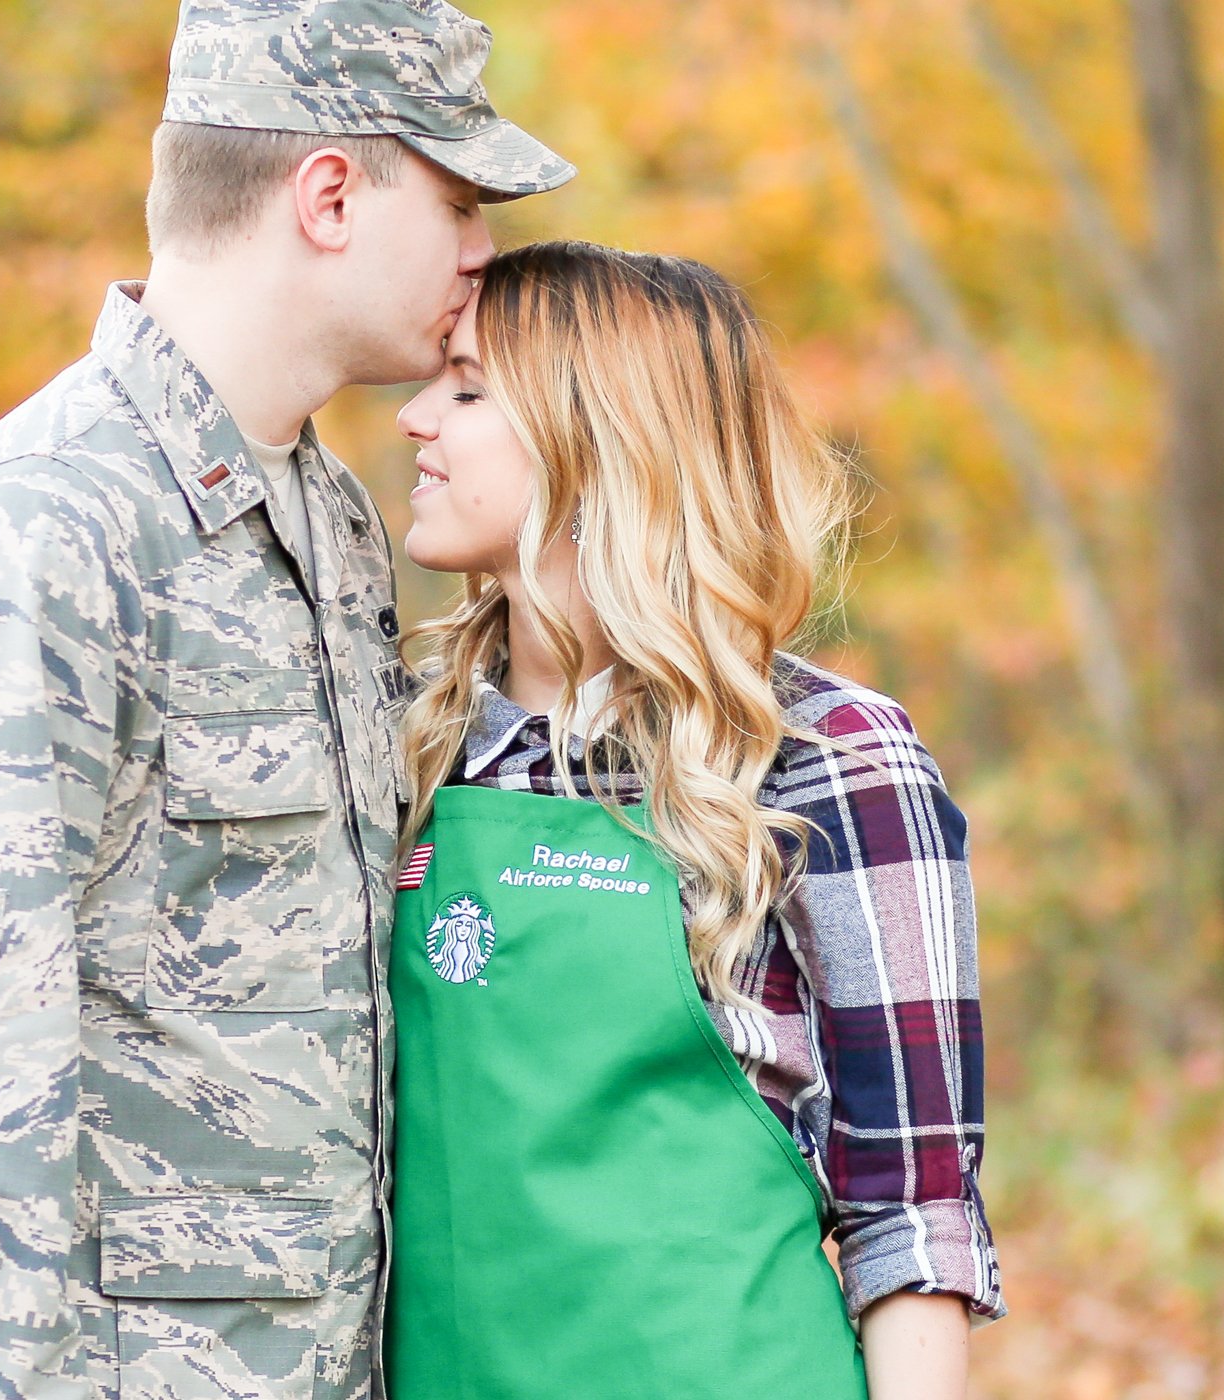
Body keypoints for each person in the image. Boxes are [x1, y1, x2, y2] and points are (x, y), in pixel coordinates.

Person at [0, 3, 571, 1397]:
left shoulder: (336, 521)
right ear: (330, 197)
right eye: (461, 200)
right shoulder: (39, 534)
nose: (482, 249)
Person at [386, 241, 1004, 1400]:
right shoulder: (407, 746)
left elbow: (913, 1209)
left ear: (599, 442)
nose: (415, 415)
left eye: (467, 390)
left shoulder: (828, 759)